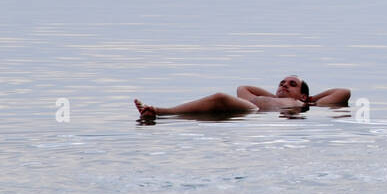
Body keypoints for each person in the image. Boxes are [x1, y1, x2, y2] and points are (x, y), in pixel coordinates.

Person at [134, 75, 351, 123]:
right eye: (281, 83)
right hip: (249, 111)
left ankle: (160, 112)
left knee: (219, 97)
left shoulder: (303, 104)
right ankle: (160, 112)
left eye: (291, 84)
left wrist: (308, 99)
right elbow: (242, 87)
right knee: (219, 100)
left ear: (302, 94)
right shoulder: (259, 98)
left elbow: (344, 91)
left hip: (254, 115)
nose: (284, 85)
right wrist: (275, 95)